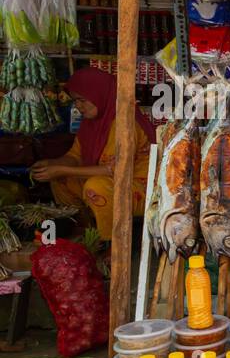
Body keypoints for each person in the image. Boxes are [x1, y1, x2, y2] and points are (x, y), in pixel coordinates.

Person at [30, 67, 155, 237]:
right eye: (75, 101)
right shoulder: (91, 123)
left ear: (99, 94)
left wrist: (61, 169)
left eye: (82, 100)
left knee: (95, 187)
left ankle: (110, 244)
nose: (78, 106)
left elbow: (115, 170)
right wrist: (53, 164)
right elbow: (75, 156)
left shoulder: (125, 123)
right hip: (111, 181)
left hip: (141, 188)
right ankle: (86, 231)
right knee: (60, 180)